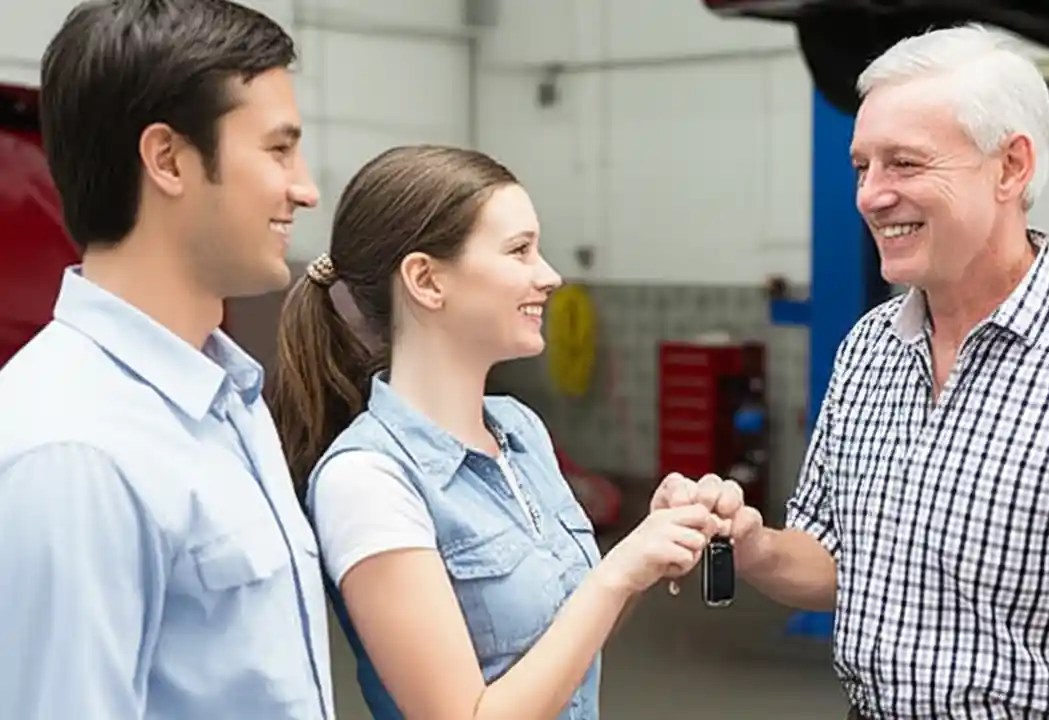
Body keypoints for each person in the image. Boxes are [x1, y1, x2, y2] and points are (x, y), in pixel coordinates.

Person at [653, 24, 1049, 720]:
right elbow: (839, 563)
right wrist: (752, 544)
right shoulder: (870, 348)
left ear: (1010, 168)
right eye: (861, 166)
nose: (871, 196)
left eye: (903, 163)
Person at [268, 144, 723, 720]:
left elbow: (563, 636)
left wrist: (653, 545)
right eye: (519, 251)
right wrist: (616, 572)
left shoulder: (520, 430)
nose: (550, 275)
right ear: (426, 280)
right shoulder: (366, 481)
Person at [0, 1, 331, 718]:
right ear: (168, 159)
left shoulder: (230, 400)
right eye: (278, 150)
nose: (304, 188)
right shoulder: (74, 453)